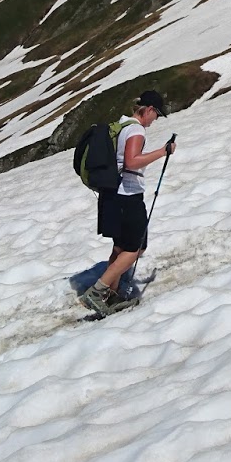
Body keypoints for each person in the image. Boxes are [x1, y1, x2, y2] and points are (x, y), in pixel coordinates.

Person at [80, 90, 176, 317]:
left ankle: (110, 295)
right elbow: (132, 162)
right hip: (128, 196)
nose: (155, 120)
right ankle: (97, 292)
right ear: (149, 110)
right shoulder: (136, 130)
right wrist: (163, 151)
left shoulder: (122, 126)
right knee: (135, 248)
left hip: (113, 194)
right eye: (157, 115)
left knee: (121, 247)